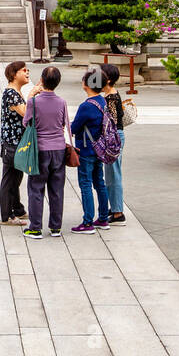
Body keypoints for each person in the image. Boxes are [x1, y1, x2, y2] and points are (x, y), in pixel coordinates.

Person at [21, 65, 68, 238]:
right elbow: (64, 123)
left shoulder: (34, 102)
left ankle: (35, 227)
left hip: (39, 149)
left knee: (36, 188)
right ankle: (55, 227)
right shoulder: (62, 102)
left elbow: (26, 122)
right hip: (59, 148)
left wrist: (31, 95)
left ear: (42, 80)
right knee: (56, 189)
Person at [69, 67, 112, 234]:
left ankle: (87, 222)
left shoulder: (86, 106)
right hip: (99, 149)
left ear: (87, 84)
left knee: (85, 183)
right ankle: (102, 218)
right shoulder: (102, 101)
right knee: (99, 182)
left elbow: (74, 127)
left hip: (86, 149)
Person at [0, 61, 30, 225]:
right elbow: (25, 113)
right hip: (12, 142)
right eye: (24, 70)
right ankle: (7, 215)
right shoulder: (11, 93)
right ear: (14, 73)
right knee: (10, 178)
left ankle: (18, 209)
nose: (27, 72)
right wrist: (33, 94)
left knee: (16, 176)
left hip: (16, 141)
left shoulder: (16, 92)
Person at [101, 63, 127, 224]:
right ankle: (114, 207)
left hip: (114, 137)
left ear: (108, 79)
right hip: (116, 136)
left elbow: (113, 121)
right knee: (110, 173)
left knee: (113, 173)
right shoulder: (111, 94)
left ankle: (118, 212)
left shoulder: (110, 97)